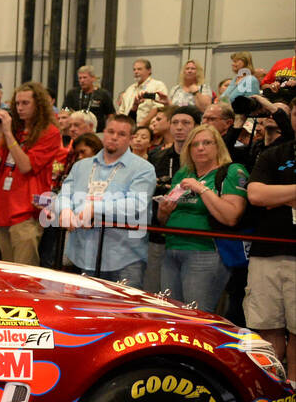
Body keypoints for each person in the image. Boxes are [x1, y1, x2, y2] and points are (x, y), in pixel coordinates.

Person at [155, 124, 248, 312]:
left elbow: (231, 217)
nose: (200, 148)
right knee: (170, 314)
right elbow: (163, 220)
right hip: (172, 249)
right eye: (194, 144)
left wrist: (201, 189)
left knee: (197, 315)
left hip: (204, 251)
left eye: (207, 143)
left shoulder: (231, 171)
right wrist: (164, 211)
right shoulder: (183, 173)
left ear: (218, 146)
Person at [57, 115, 155, 285]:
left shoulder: (143, 168)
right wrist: (64, 210)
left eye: (121, 134)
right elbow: (63, 195)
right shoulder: (82, 166)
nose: (114, 137)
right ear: (103, 133)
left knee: (122, 312)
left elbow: (135, 205)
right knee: (85, 310)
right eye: (110, 131)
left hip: (124, 257)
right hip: (83, 255)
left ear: (131, 139)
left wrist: (95, 208)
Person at [0, 81, 63, 265]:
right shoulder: (16, 132)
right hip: (3, 208)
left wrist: (8, 133)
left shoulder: (50, 133)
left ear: (39, 105)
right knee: (6, 271)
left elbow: (26, 166)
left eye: (25, 103)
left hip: (26, 211)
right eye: (17, 103)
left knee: (22, 273)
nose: (20, 108)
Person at [245, 113, 296, 373]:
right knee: (266, 328)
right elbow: (255, 194)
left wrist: (276, 196)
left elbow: (267, 195)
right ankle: (274, 394)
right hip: (267, 252)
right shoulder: (274, 154)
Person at [146, 106, 202, 291]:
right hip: (159, 233)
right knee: (154, 292)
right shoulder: (156, 156)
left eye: (186, 123)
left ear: (196, 127)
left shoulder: (201, 159)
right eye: (175, 123)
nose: (179, 127)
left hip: (189, 237)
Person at [116, 59, 170, 124]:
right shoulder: (130, 89)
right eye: (134, 69)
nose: (136, 72)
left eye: (139, 69)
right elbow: (122, 110)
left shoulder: (157, 85)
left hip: (148, 128)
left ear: (149, 70)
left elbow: (158, 108)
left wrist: (141, 125)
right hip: (128, 127)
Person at [62, 65, 115, 130]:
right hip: (76, 129)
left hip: (97, 131)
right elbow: (65, 110)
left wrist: (109, 128)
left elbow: (110, 114)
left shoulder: (103, 94)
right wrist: (71, 113)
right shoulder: (72, 93)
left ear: (93, 78)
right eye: (80, 78)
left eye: (85, 77)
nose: (82, 80)